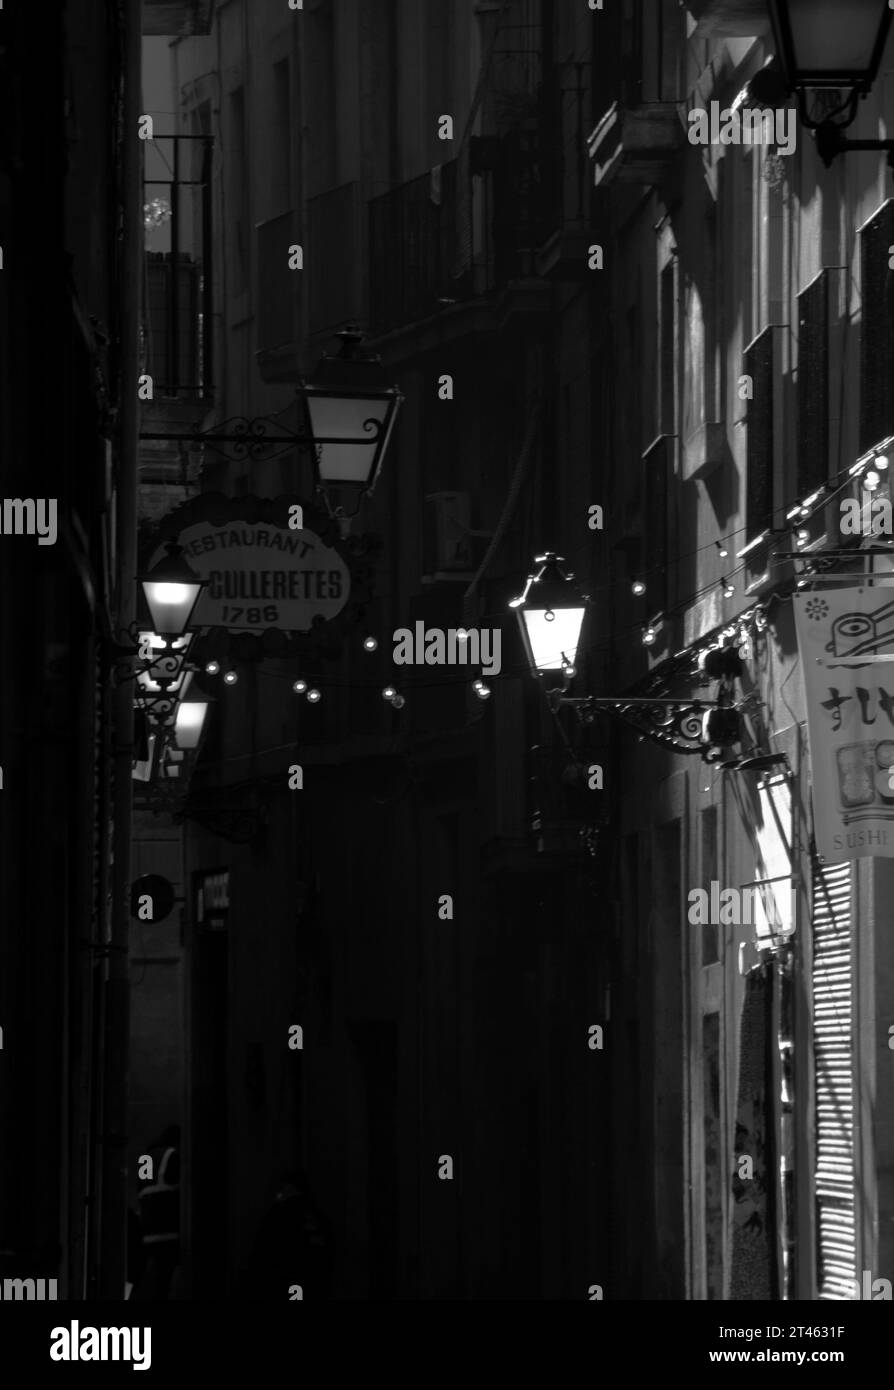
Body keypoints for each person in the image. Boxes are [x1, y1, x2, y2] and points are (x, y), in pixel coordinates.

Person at [242, 1169, 332, 1300]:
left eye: (280, 1188)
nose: (277, 1193)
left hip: (284, 1284)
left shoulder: (279, 1214)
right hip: (314, 1287)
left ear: (288, 1187)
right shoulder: (320, 1217)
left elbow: (263, 1252)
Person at [132, 1124, 181, 1300]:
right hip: (170, 1232)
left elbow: (142, 1190)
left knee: (153, 1279)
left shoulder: (146, 1158)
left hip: (148, 1233)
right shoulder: (173, 1155)